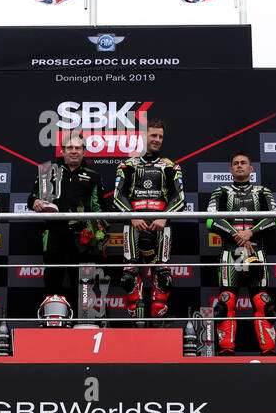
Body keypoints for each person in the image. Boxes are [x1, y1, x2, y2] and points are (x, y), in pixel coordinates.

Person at [27, 132, 108, 317]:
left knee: (82, 283)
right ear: (62, 151)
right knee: (52, 280)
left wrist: (97, 231)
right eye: (69, 148)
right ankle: (52, 319)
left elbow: (100, 209)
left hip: (83, 238)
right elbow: (31, 198)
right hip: (54, 233)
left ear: (84, 151)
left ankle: (83, 321)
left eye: (77, 148)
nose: (73, 151)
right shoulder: (48, 171)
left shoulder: (93, 176)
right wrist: (36, 203)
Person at [207, 150, 276, 354]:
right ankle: (226, 351)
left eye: (243, 163)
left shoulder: (263, 191)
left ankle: (268, 352)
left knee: (265, 304)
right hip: (230, 253)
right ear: (231, 169)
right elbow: (211, 220)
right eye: (236, 163)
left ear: (251, 168)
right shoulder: (220, 191)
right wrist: (237, 235)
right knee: (225, 304)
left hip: (257, 252)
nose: (240, 166)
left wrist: (251, 232)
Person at [113, 119, 184, 323]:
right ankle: (137, 332)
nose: (157, 140)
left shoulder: (170, 166)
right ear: (143, 136)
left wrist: (163, 216)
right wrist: (132, 216)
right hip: (132, 226)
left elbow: (179, 197)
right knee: (129, 277)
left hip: (161, 227)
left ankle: (158, 332)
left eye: (160, 136)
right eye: (153, 135)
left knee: (163, 277)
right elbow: (118, 196)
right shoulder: (127, 165)